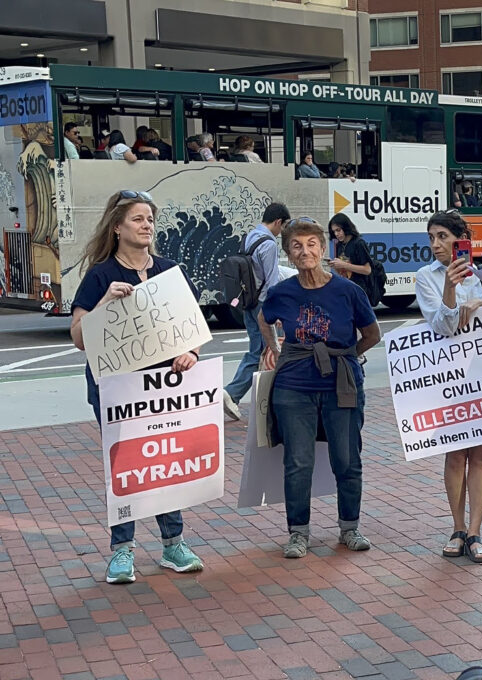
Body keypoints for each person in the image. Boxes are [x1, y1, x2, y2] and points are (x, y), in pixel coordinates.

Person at [69, 190, 205, 584]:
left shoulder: (168, 271)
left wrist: (191, 354)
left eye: (150, 220)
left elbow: (192, 326)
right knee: (125, 464)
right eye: (138, 219)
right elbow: (79, 336)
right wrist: (104, 305)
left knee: (167, 460)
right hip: (117, 388)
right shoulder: (100, 275)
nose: (147, 226)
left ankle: (173, 544)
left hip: (163, 384)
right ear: (117, 228)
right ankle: (122, 550)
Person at [258, 217, 381, 557]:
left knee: (347, 458)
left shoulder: (348, 290)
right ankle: (298, 532)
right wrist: (274, 347)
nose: (305, 251)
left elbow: (372, 334)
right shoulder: (282, 293)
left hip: (341, 384)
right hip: (294, 387)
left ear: (323, 248)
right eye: (297, 245)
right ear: (288, 253)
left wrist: (347, 358)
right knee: (298, 461)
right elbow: (263, 319)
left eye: (312, 244)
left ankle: (349, 528)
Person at [415, 211, 482, 566]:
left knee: (481, 454)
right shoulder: (425, 277)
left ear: (462, 238)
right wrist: (452, 291)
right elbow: (442, 326)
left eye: (443, 236)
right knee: (455, 453)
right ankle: (457, 528)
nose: (436, 244)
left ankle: (475, 531)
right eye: (431, 237)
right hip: (449, 377)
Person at [222, 203, 291, 422]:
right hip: (263, 304)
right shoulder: (269, 243)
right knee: (263, 351)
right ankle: (232, 393)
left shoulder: (250, 235)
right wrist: (275, 308)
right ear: (278, 221)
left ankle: (234, 394)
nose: (282, 232)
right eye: (284, 226)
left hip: (248, 301)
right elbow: (270, 279)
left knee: (256, 349)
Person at [327, 213, 374, 304]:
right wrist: (335, 265)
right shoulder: (339, 245)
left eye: (338, 230)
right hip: (346, 287)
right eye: (334, 232)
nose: (336, 234)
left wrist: (344, 264)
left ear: (346, 227)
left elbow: (367, 270)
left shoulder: (359, 243)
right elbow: (343, 271)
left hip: (360, 289)